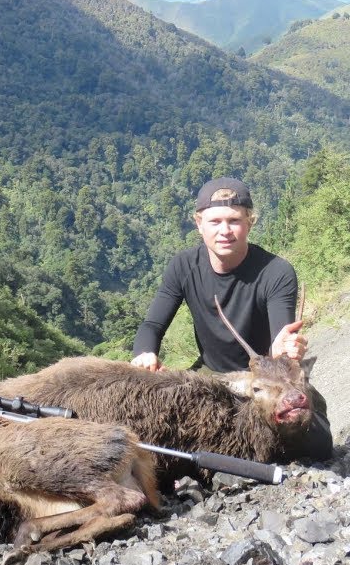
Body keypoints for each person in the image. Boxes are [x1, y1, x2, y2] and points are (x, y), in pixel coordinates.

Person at [130, 177, 332, 460]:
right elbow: (152, 325)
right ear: (199, 223)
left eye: (234, 221)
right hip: (213, 377)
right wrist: (145, 354)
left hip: (267, 379)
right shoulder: (183, 266)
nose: (225, 231)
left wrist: (285, 350)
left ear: (249, 222)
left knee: (318, 445)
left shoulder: (276, 272)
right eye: (215, 222)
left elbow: (280, 340)